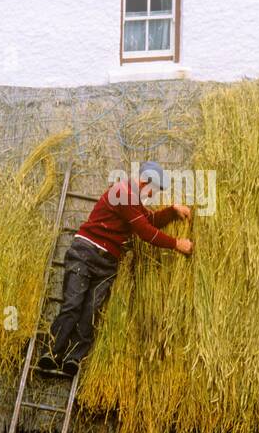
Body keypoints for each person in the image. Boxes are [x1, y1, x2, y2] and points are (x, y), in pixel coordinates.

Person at [37, 161, 192, 378]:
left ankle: (72, 358)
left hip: (106, 263)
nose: (152, 196)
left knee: (90, 312)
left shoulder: (133, 201)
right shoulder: (123, 192)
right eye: (154, 191)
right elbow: (145, 232)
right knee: (72, 306)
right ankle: (51, 353)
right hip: (85, 254)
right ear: (145, 182)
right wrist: (177, 244)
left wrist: (173, 211)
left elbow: (149, 220)